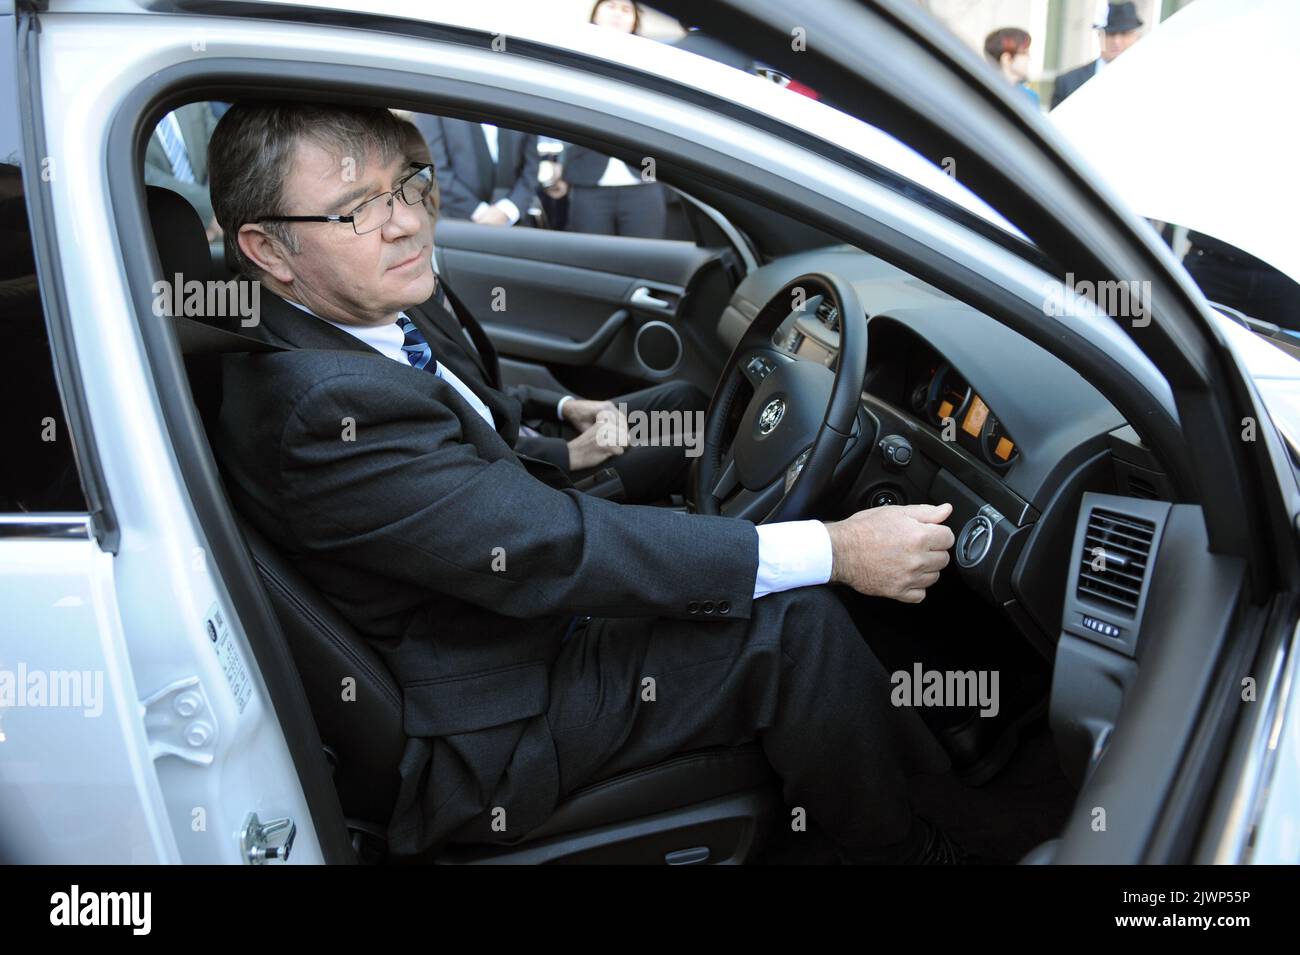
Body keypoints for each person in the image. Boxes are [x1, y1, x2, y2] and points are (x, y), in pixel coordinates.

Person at [206, 101, 962, 863]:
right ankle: (913, 848)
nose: (405, 221)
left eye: (405, 185)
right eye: (357, 210)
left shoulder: (352, 315)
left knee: (682, 423)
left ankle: (921, 764)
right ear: (269, 249)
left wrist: (568, 430)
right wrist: (831, 548)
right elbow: (552, 547)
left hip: (490, 610)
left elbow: (468, 420)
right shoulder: (320, 407)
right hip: (488, 721)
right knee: (796, 628)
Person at [545, 1, 669, 238]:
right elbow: (562, 114)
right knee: (595, 264)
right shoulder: (574, 59)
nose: (618, 14)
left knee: (646, 261)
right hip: (588, 183)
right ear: (595, 13)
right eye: (611, 6)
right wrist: (557, 162)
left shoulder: (652, 61)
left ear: (635, 20)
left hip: (643, 182)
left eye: (625, 9)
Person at [410, 114, 539, 226]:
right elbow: (431, 168)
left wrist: (507, 210)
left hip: (514, 223)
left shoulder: (518, 97)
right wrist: (480, 212)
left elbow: (531, 168)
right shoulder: (438, 100)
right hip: (455, 225)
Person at [144, 102, 221, 240]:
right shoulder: (120, 107)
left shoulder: (189, 98)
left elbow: (219, 147)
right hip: (159, 230)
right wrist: (210, 210)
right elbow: (142, 174)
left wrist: (221, 203)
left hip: (215, 227)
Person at [1050, 1, 1144, 109]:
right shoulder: (1068, 83)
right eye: (1110, 34)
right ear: (1099, 35)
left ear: (1136, 37)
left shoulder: (1148, 82)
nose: (1116, 41)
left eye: (1124, 33)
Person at [983, 27, 1040, 108]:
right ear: (1007, 59)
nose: (1029, 58)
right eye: (1024, 53)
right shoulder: (984, 93)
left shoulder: (1030, 97)